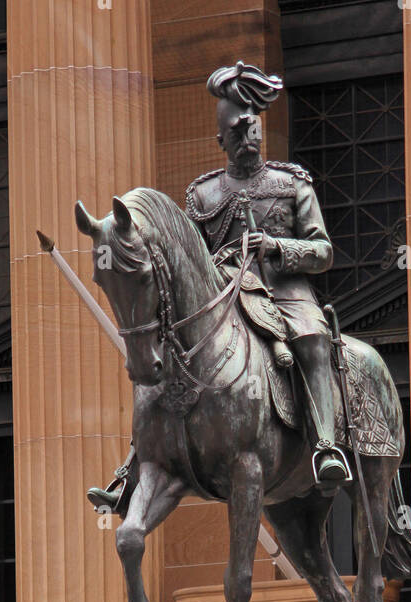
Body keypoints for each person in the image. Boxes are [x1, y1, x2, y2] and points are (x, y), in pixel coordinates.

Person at [86, 59, 348, 515]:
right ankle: (133, 465)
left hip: (286, 295)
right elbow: (191, 259)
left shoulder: (291, 184)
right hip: (229, 296)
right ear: (220, 140)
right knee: (166, 359)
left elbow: (322, 251)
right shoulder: (203, 194)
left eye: (252, 129)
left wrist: (274, 247)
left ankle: (325, 444)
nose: (246, 139)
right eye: (236, 132)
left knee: (311, 338)